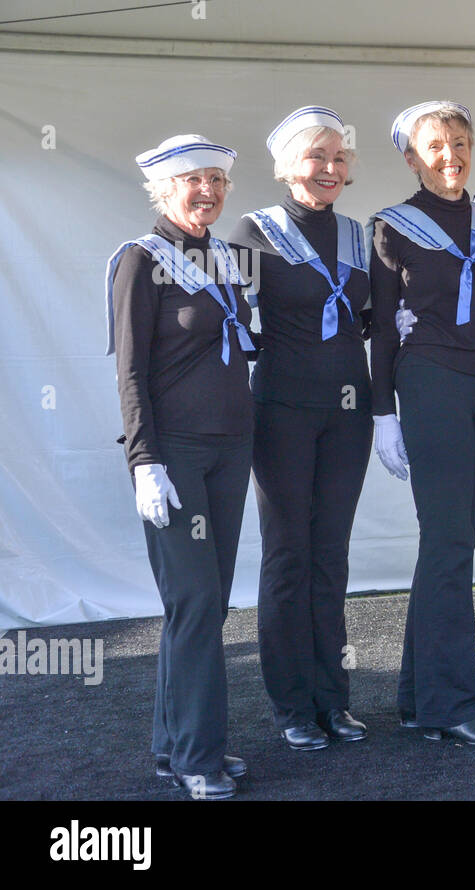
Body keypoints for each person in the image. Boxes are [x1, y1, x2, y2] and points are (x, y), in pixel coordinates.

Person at [107, 134, 255, 798]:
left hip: (230, 449)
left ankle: (174, 745)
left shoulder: (225, 256)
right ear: (163, 191)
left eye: (217, 181)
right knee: (195, 601)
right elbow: (131, 372)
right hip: (176, 455)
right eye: (193, 181)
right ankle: (200, 756)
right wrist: (144, 461)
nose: (208, 192)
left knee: (206, 606)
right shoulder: (140, 260)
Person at [369, 100, 475, 745]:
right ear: (410, 157)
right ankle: (451, 704)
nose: (450, 154)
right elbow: (379, 329)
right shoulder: (393, 227)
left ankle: (416, 696)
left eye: (460, 140)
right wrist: (383, 414)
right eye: (434, 145)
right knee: (452, 543)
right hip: (429, 385)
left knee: (449, 544)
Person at [227, 106, 371, 752]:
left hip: (348, 411)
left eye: (340, 158)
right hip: (282, 410)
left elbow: (374, 323)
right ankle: (291, 705)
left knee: (332, 556)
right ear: (287, 167)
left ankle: (332, 700)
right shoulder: (253, 232)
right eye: (317, 158)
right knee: (289, 555)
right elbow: (230, 325)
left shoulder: (358, 236)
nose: (330, 169)